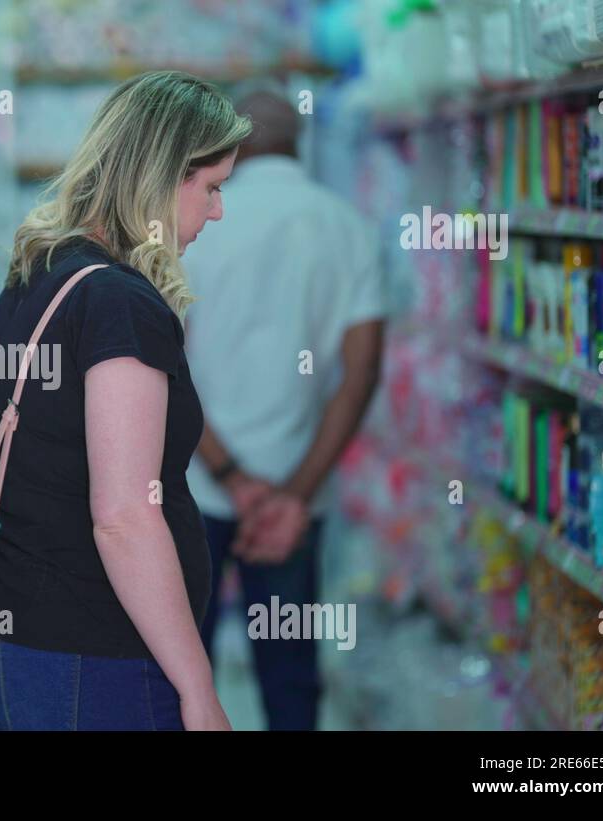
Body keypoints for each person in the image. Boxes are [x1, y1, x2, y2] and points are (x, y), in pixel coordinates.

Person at [0, 71, 251, 731]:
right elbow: (124, 515)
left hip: (15, 646)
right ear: (161, 175)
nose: (217, 211)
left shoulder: (35, 278)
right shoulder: (120, 302)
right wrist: (197, 683)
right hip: (95, 665)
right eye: (211, 188)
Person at [182, 83, 385, 731]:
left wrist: (233, 477)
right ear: (300, 143)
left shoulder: (197, 224)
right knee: (291, 675)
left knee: (183, 672)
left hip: (197, 486)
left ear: (228, 148)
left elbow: (164, 367)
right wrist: (294, 493)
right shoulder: (347, 226)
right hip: (301, 493)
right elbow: (361, 372)